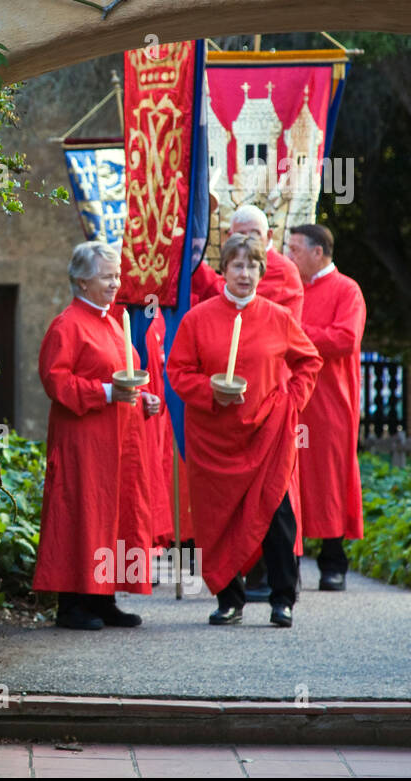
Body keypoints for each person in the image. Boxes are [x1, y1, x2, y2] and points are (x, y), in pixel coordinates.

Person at [166, 232, 322, 627]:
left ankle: (282, 598)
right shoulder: (197, 318)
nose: (245, 274)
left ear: (262, 271)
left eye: (253, 266)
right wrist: (210, 391)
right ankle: (228, 598)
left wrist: (292, 402)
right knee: (217, 518)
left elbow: (309, 361)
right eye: (238, 265)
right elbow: (178, 372)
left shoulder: (278, 317)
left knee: (277, 514)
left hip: (267, 433)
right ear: (223, 271)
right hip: (214, 437)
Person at [33, 241, 163, 630]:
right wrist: (107, 393)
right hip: (83, 440)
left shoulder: (111, 321)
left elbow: (125, 378)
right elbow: (56, 382)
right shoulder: (67, 325)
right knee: (82, 514)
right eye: (107, 276)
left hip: (117, 437)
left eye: (116, 275)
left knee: (114, 514)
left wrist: (143, 399)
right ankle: (72, 604)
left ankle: (103, 597)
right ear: (82, 281)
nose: (115, 283)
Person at [287, 223, 367, 591]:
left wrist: (296, 334)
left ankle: (333, 561)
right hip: (296, 397)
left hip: (331, 401)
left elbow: (346, 338)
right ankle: (289, 560)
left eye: (295, 250)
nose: (289, 257)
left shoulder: (347, 289)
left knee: (330, 479)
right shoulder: (292, 290)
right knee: (292, 478)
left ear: (317, 252)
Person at [191, 204, 304, 320]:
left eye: (255, 233)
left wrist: (196, 268)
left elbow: (237, 298)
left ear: (269, 235)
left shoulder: (283, 268)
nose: (248, 240)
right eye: (240, 234)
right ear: (230, 236)